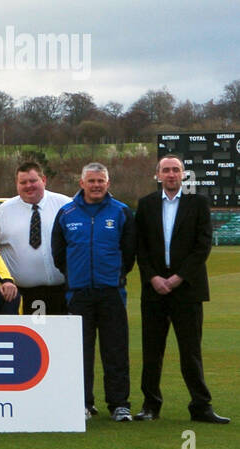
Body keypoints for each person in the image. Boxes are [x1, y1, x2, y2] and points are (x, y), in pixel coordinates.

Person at [133, 156, 228, 424]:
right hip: (154, 290)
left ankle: (200, 406)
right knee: (152, 351)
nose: (171, 174)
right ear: (158, 175)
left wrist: (177, 278)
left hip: (187, 290)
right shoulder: (147, 204)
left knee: (190, 351)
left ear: (184, 175)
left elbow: (202, 246)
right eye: (166, 170)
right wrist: (153, 277)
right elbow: (140, 247)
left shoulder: (197, 203)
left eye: (176, 170)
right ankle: (150, 406)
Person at [51, 163, 136, 421]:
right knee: (80, 352)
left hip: (111, 292)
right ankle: (84, 404)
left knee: (115, 350)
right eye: (92, 181)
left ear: (108, 183)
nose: (96, 185)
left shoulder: (121, 212)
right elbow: (58, 253)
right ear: (82, 183)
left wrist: (116, 276)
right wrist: (74, 276)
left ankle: (119, 404)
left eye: (101, 180)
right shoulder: (67, 213)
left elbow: (129, 253)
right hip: (79, 294)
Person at [0, 162, 69, 316]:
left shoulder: (65, 206)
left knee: (62, 338)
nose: (28, 186)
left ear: (43, 180)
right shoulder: (1, 213)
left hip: (63, 291)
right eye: (23, 182)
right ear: (16, 184)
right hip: (21, 295)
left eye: (33, 181)